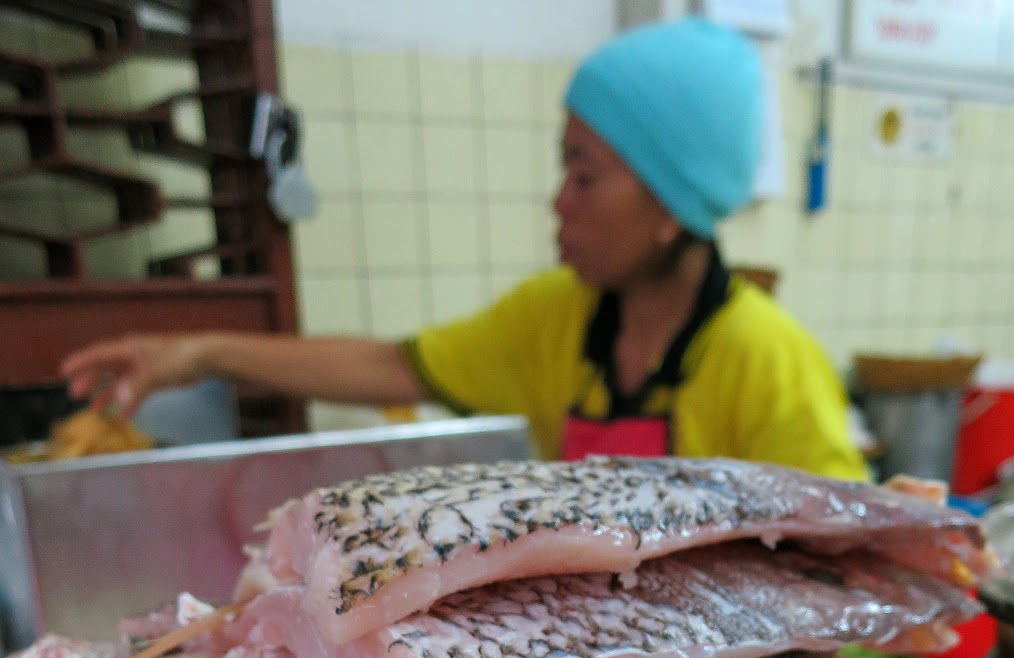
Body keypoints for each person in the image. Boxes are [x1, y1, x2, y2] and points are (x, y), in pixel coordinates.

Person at [63, 18, 864, 477]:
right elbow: (393, 367)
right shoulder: (557, 317)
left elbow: (853, 559)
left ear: (671, 204)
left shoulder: (769, 360)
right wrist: (199, 353)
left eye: (583, 175)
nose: (558, 202)